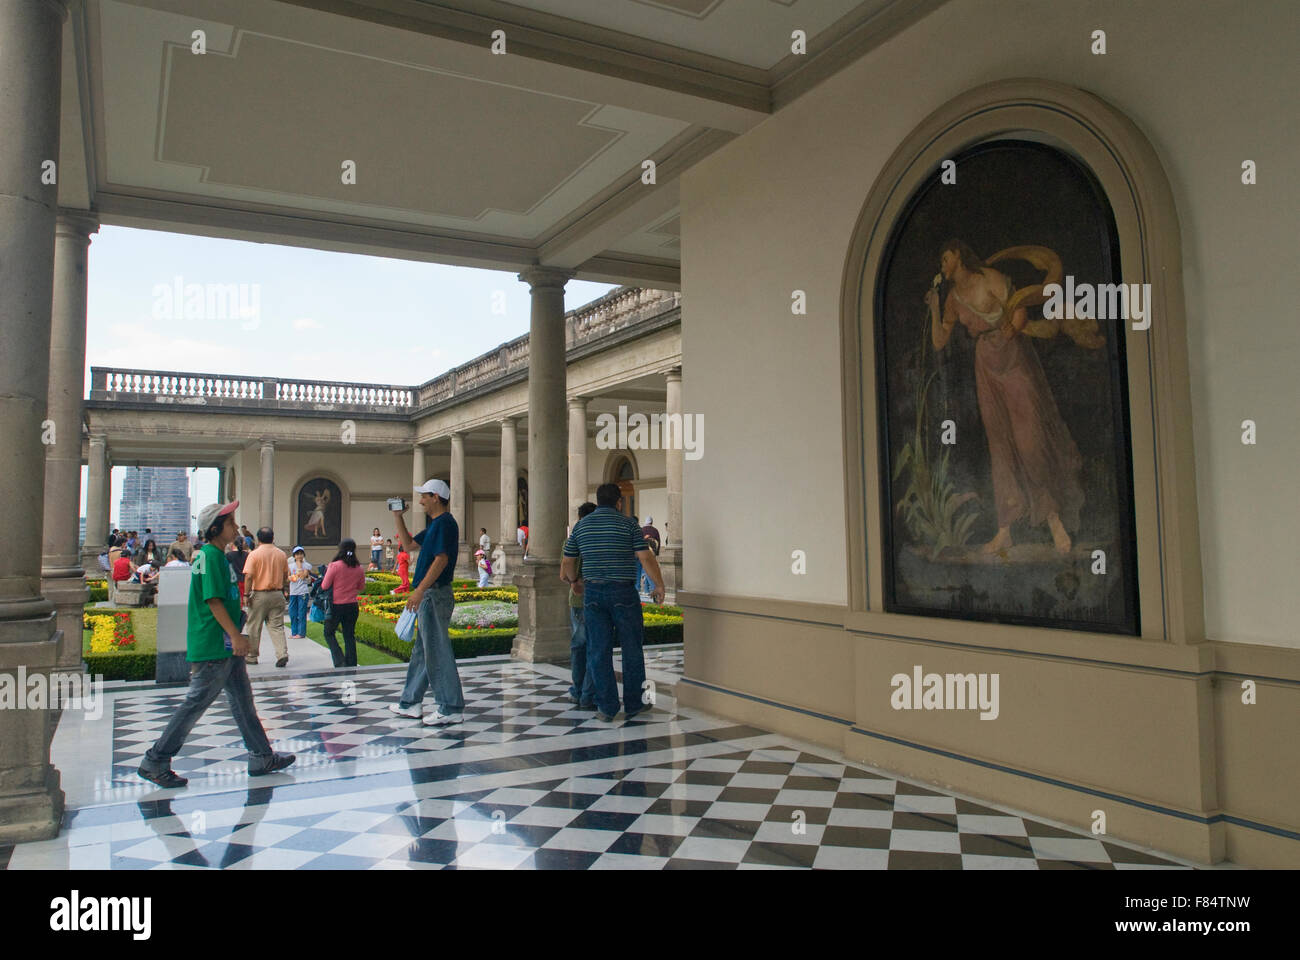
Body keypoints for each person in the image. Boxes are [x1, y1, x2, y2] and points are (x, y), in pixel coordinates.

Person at [926, 239, 1084, 554]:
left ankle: (1054, 521)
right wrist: (933, 308)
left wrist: (1011, 330)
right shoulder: (953, 299)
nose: (943, 265)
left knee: (1030, 440)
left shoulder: (989, 279)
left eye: (945, 258)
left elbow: (1019, 310)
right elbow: (940, 340)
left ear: (958, 255)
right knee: (999, 444)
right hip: (985, 363)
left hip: (1012, 357)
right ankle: (1005, 529)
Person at [137, 500, 295, 788]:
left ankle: (261, 755)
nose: (236, 526)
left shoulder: (215, 556)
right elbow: (213, 600)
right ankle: (156, 759)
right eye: (230, 522)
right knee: (196, 703)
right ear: (215, 528)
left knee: (243, 701)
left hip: (223, 643)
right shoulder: (209, 556)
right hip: (214, 643)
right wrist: (235, 636)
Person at [561, 483, 665, 723]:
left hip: (594, 592)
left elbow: (568, 561)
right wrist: (658, 585)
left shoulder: (581, 526)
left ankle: (607, 707)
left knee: (598, 651)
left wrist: (575, 581)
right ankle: (634, 703)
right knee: (632, 649)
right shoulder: (628, 525)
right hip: (623, 592)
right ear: (618, 502)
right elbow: (645, 556)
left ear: (598, 501)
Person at [389, 479, 464, 725]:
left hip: (433, 594)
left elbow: (441, 559)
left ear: (435, 497)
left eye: (423, 496)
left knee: (437, 650)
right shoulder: (436, 525)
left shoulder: (445, 523)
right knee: (423, 651)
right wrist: (398, 517)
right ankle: (410, 702)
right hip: (430, 594)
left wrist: (420, 589)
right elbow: (410, 545)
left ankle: (450, 707)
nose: (420, 501)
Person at [243, 527, 290, 668]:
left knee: (254, 626)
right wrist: (283, 589)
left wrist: (246, 594)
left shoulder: (254, 555)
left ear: (258, 539)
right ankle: (282, 654)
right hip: (277, 593)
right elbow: (285, 575)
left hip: (259, 594)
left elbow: (249, 576)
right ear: (273, 537)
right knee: (277, 626)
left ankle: (251, 656)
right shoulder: (281, 554)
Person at [566, 502, 598, 707]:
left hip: (576, 599)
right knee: (593, 647)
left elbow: (565, 567)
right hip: (593, 595)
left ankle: (577, 690)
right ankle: (588, 693)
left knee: (578, 647)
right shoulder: (592, 538)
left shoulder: (573, 538)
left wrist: (572, 581)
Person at [321, 538, 366, 668]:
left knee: (329, 633)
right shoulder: (358, 567)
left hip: (336, 605)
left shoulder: (334, 566)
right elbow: (361, 587)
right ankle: (351, 663)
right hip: (352, 605)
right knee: (349, 635)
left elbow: (324, 585)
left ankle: (339, 660)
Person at [287, 547, 314, 639]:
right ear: (294, 556)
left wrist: (299, 566)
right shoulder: (290, 566)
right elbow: (289, 578)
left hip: (302, 592)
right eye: (297, 554)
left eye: (301, 553)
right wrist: (292, 577)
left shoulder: (307, 565)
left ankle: (301, 633)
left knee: (301, 613)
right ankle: (294, 632)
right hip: (293, 592)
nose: (299, 556)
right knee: (293, 613)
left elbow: (302, 577)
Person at [638, 516, 661, 595]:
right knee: (648, 570)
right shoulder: (655, 531)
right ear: (651, 522)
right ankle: (648, 589)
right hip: (652, 554)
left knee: (645, 570)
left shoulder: (642, 530)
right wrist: (657, 553)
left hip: (643, 553)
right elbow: (658, 542)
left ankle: (649, 589)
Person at [227, 537, 249, 608]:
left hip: (233, 581)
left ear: (233, 544)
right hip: (244, 581)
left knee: (234, 603)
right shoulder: (247, 555)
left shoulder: (228, 555)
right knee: (243, 603)